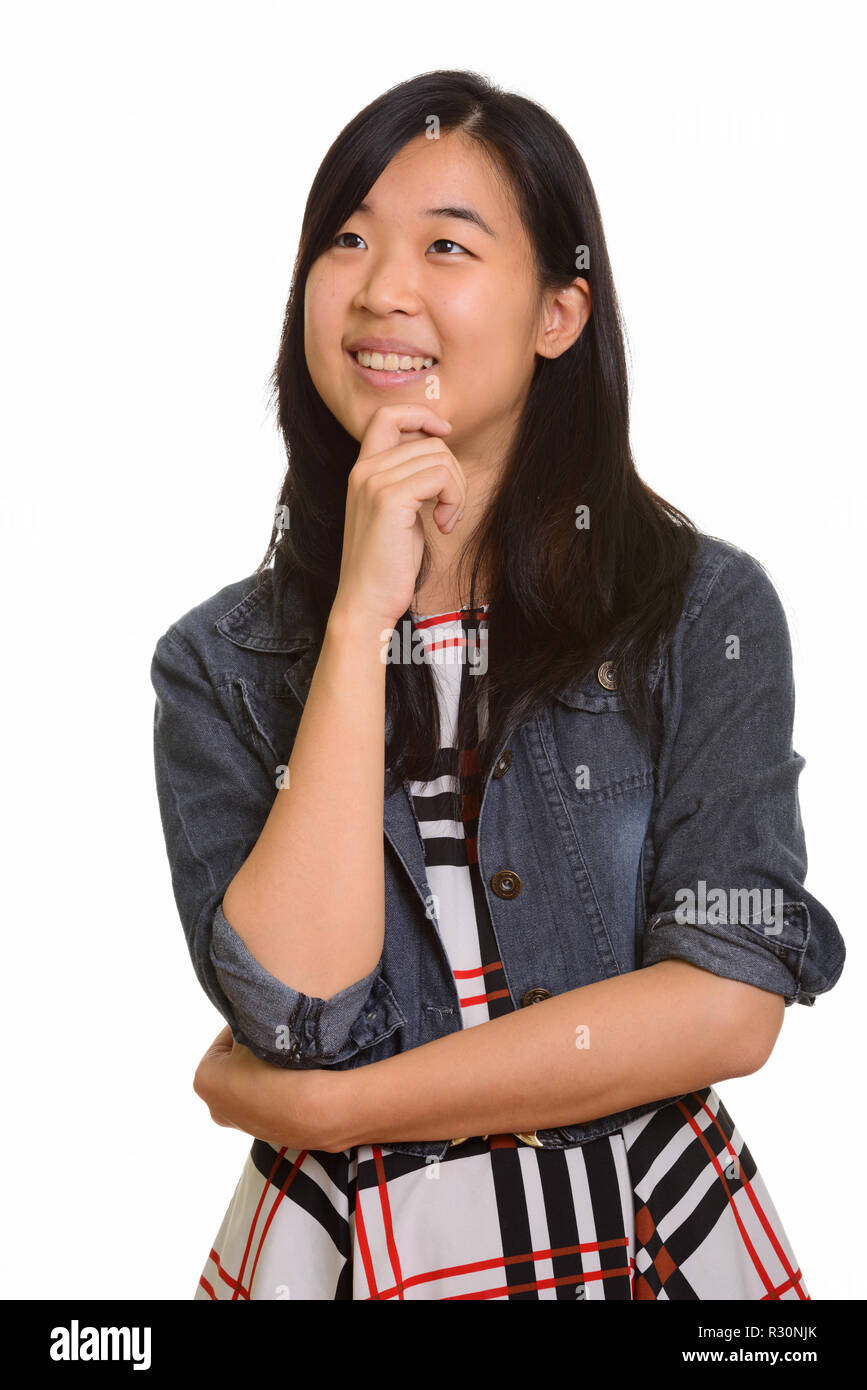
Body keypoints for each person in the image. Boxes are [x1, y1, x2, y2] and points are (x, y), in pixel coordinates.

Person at [150, 69, 845, 1301]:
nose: (381, 288)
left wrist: (348, 1109)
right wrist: (365, 609)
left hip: (634, 1240)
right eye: (347, 239)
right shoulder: (221, 665)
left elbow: (729, 1005)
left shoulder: (699, 613)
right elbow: (300, 1011)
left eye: (447, 245)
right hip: (351, 1252)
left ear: (557, 314)